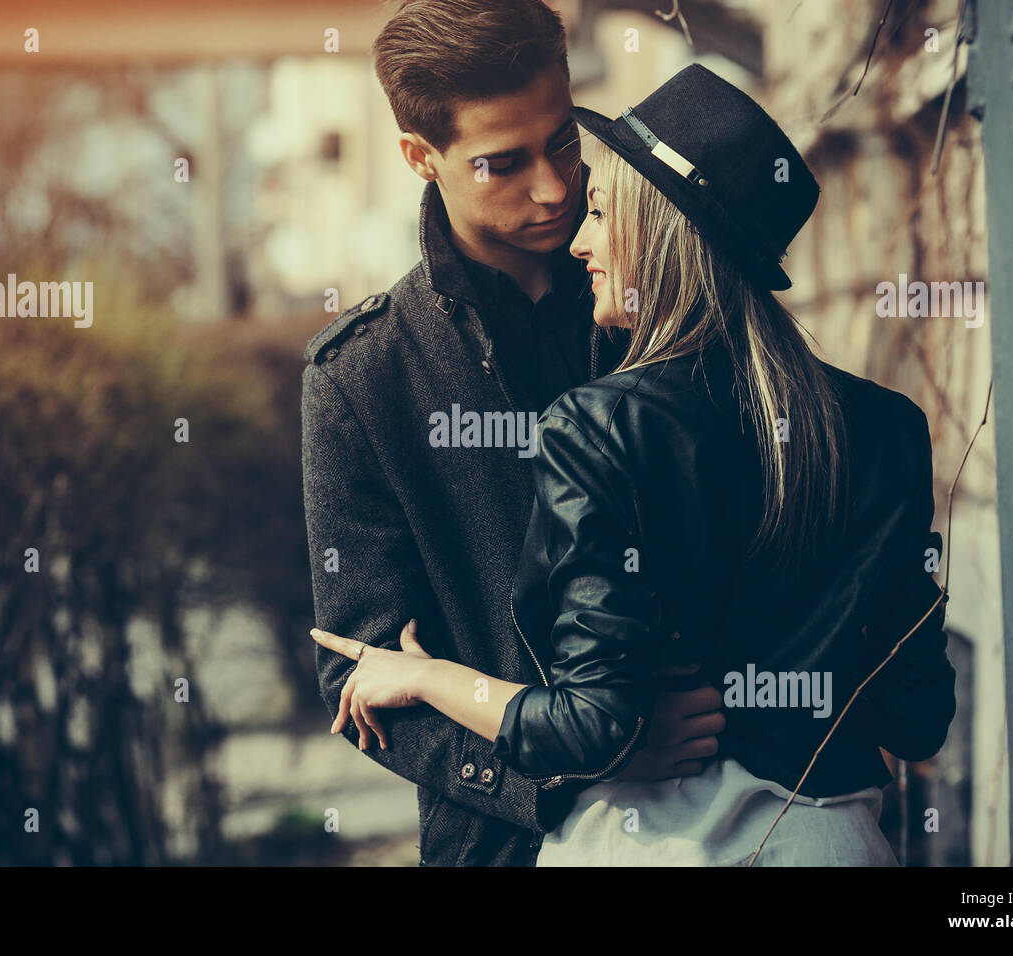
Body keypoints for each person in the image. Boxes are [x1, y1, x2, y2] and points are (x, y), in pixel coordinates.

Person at [312, 62, 958, 866]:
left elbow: (592, 723)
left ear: (659, 232)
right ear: (421, 156)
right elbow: (917, 713)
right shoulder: (888, 427)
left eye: (596, 203)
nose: (573, 223)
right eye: (507, 161)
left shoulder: (599, 423)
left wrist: (428, 678)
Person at [300, 0, 727, 868]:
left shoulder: (670, 295)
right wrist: (570, 766)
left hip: (728, 812)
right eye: (503, 164)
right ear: (420, 158)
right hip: (503, 848)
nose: (555, 187)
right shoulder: (358, 376)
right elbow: (357, 670)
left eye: (564, 140)